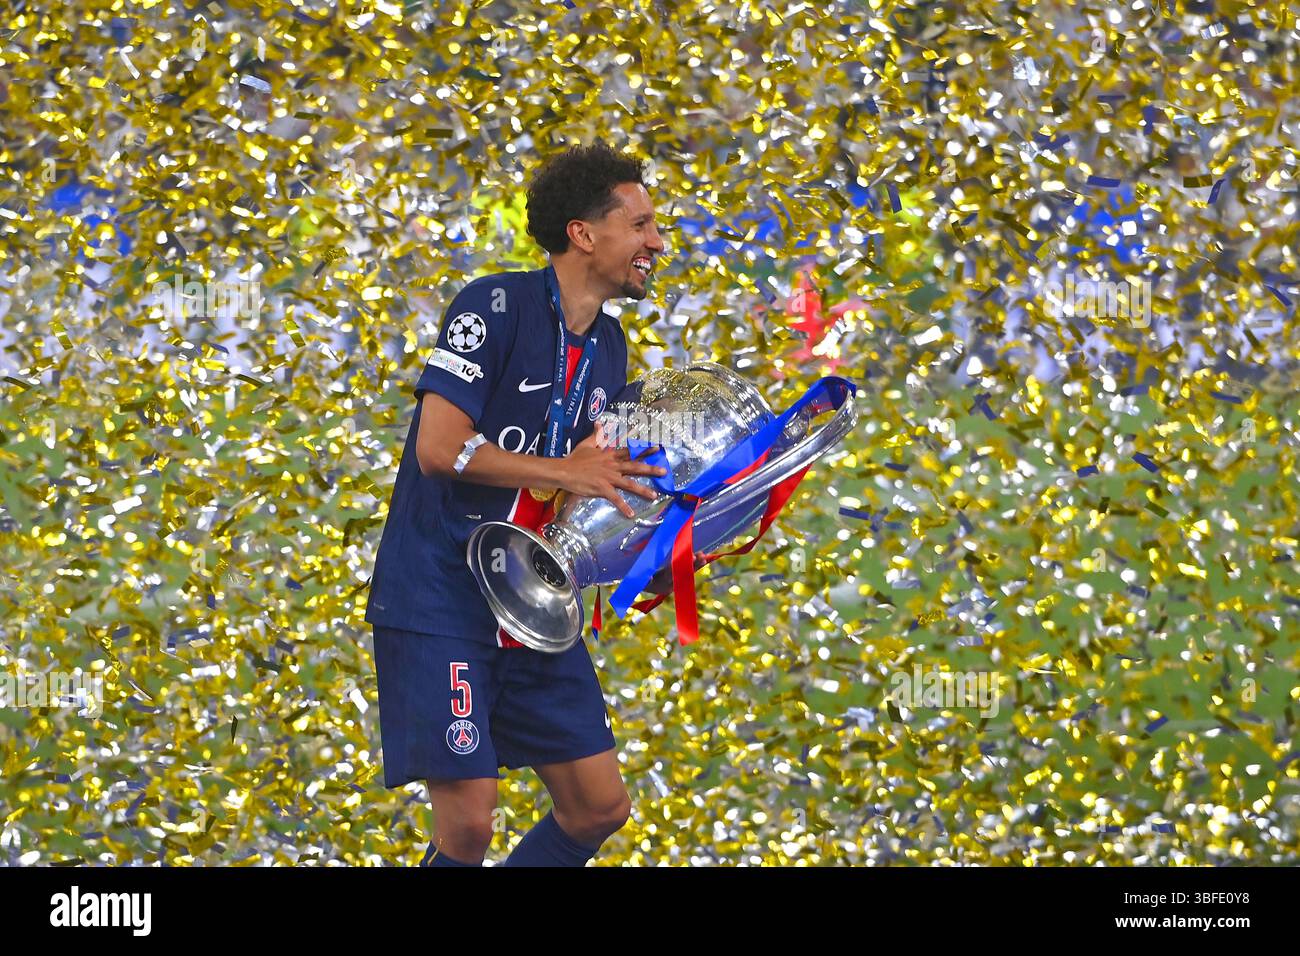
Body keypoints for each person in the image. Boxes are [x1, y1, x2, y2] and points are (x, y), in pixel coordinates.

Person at [365, 142, 678, 867]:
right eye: (640, 225)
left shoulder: (610, 346)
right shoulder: (492, 306)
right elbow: (438, 450)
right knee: (469, 830)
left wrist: (655, 552)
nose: (656, 243)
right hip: (442, 597)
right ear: (583, 232)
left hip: (536, 603)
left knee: (598, 807)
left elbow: (600, 481)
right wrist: (566, 471)